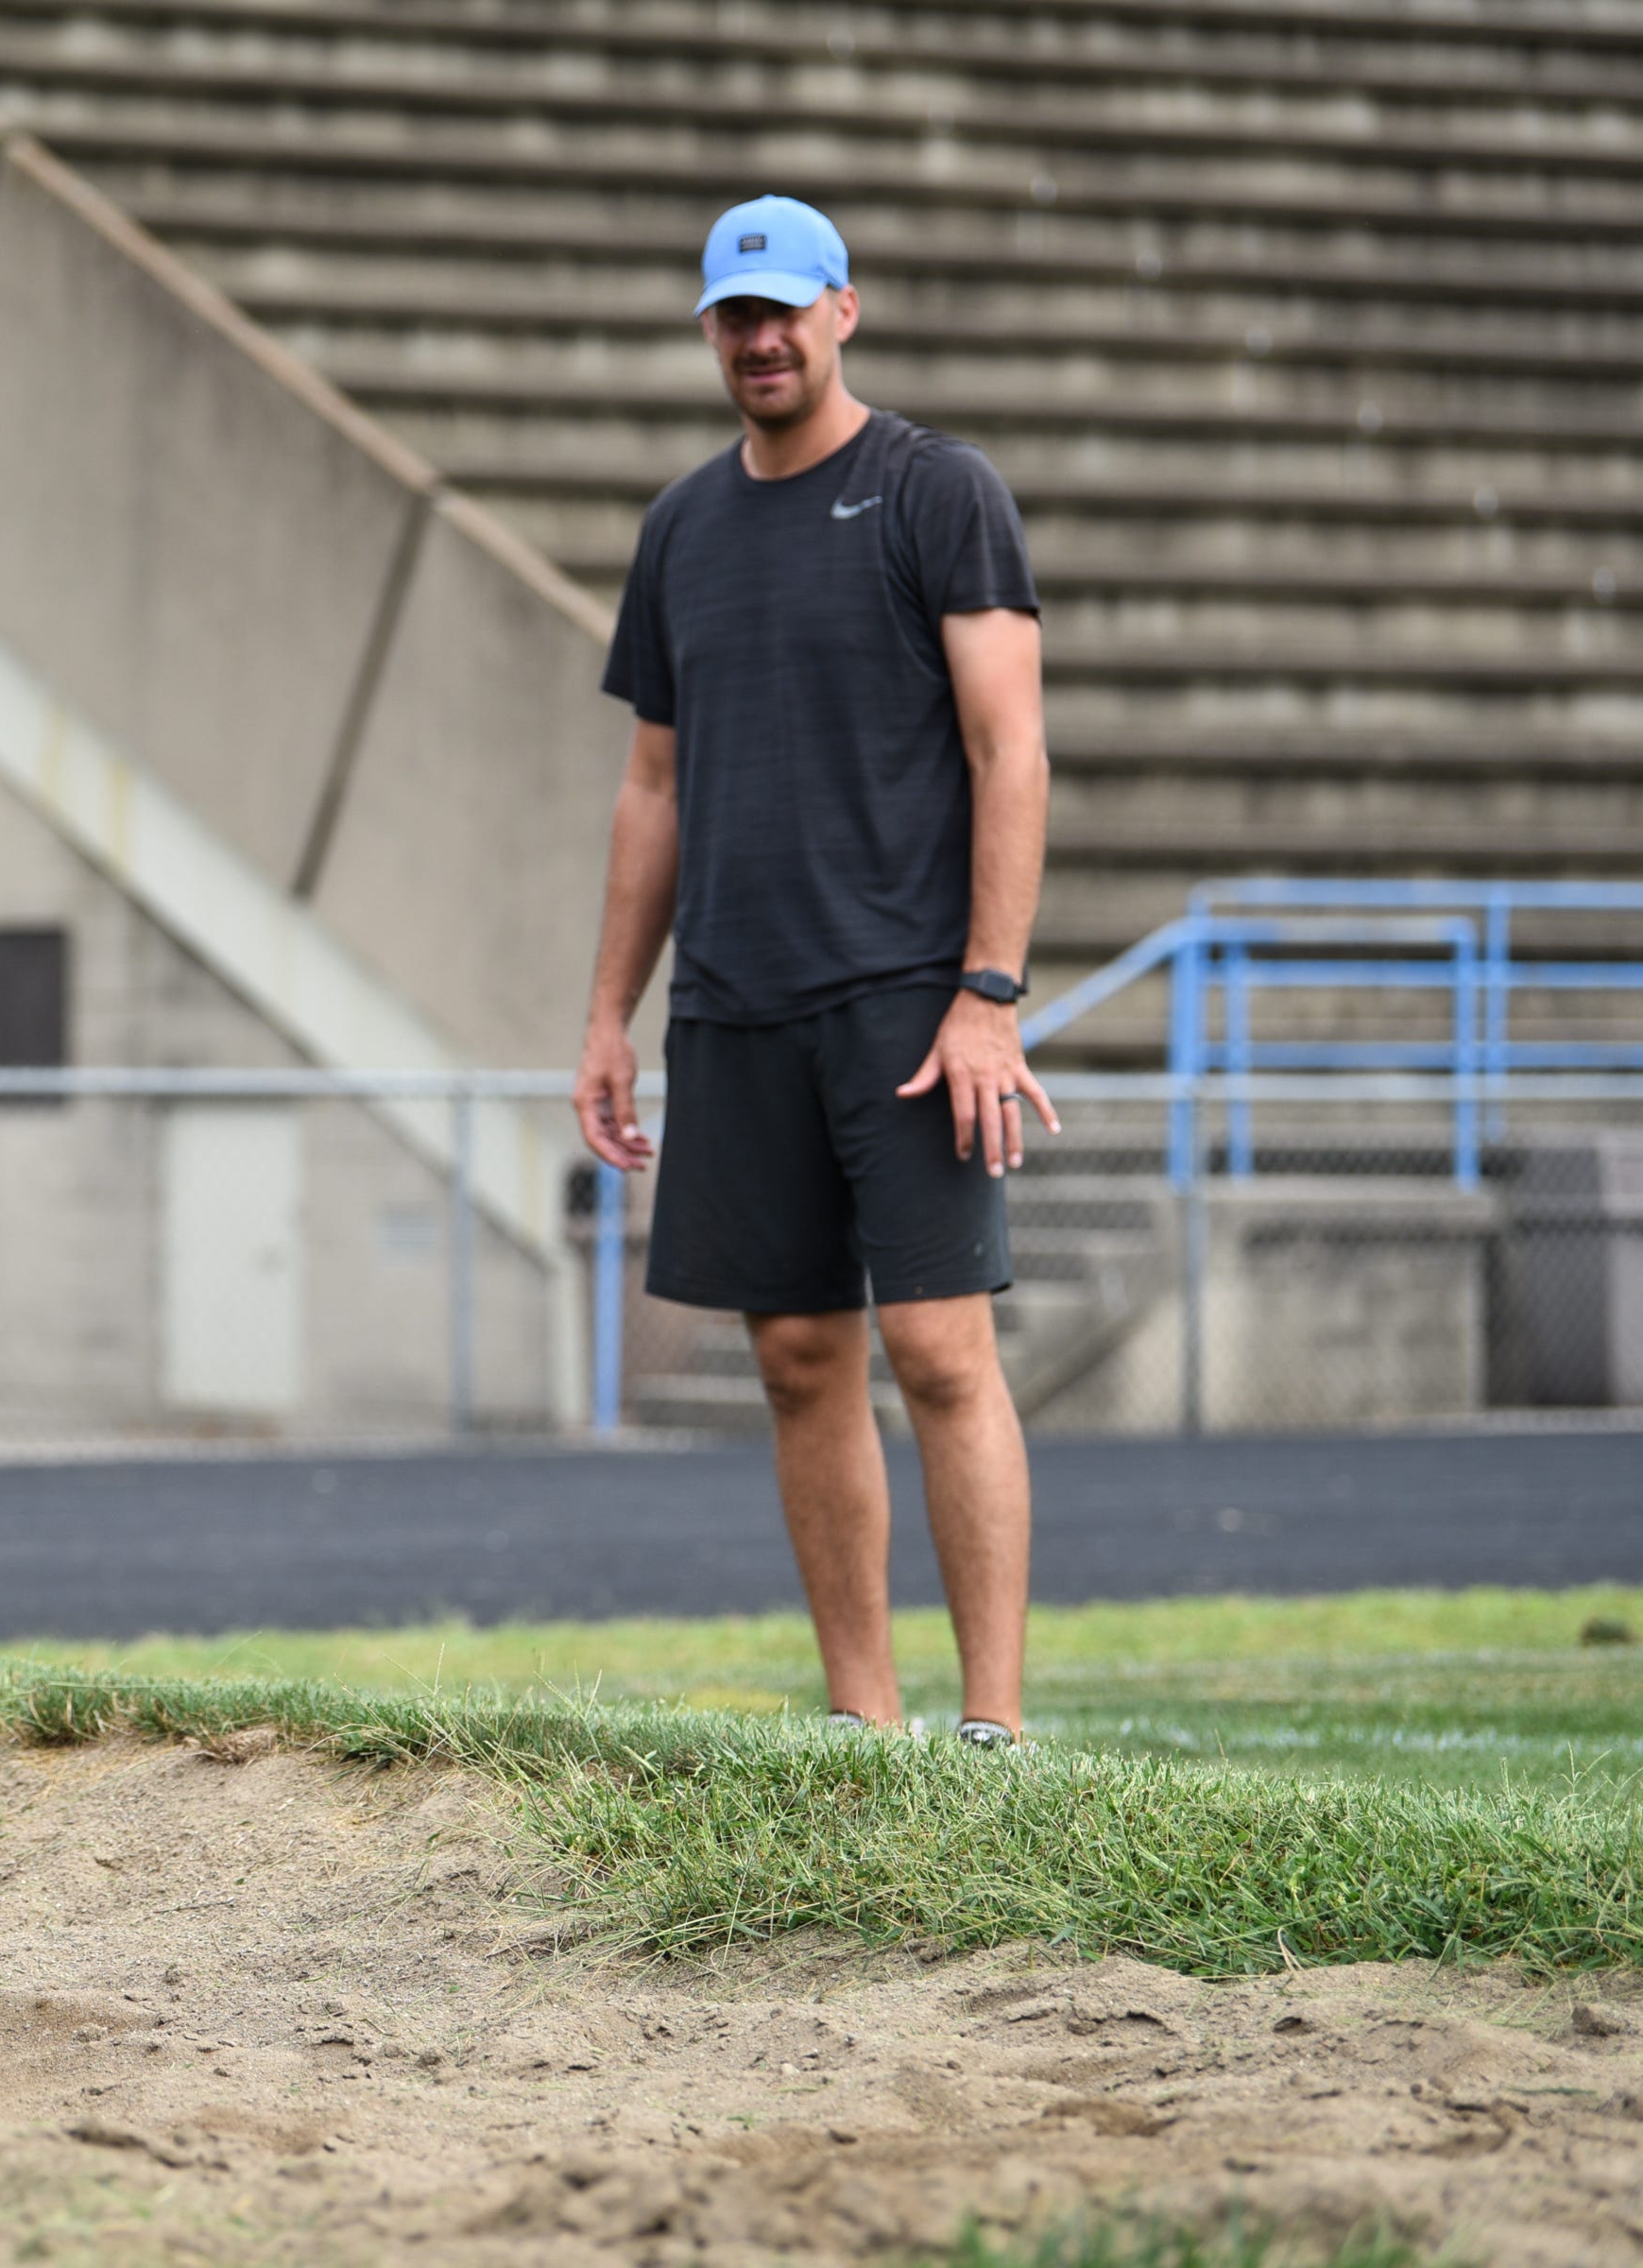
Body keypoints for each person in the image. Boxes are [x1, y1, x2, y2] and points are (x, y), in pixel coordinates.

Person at [570, 196, 1053, 1747]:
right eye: (734, 315)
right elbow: (654, 787)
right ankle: (865, 1724)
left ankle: (993, 1737)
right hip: (733, 1000)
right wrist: (606, 1018)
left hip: (908, 1003)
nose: (760, 340)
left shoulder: (936, 492)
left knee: (938, 1349)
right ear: (710, 328)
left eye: (786, 309)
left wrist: (990, 992)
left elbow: (1011, 746)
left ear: (845, 309)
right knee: (792, 1357)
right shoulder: (680, 531)